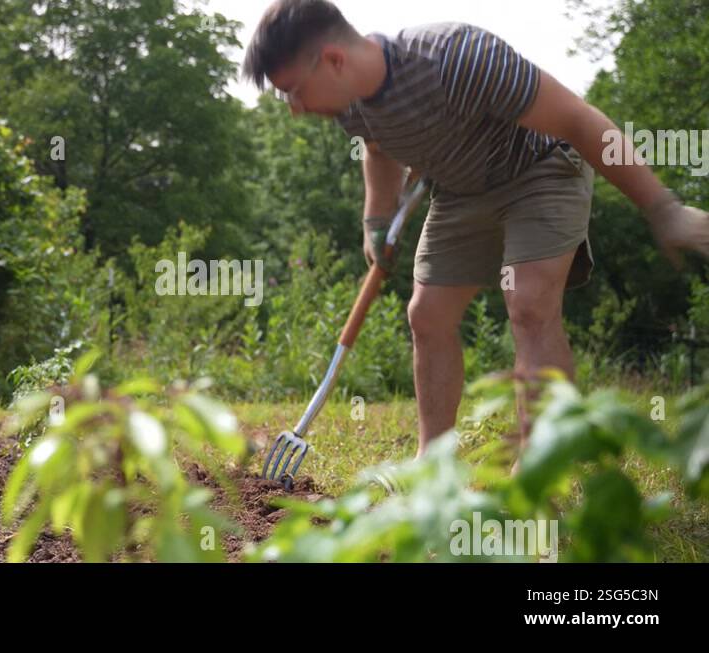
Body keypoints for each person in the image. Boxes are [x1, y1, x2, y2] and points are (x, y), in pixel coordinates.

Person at [242, 0, 709, 458]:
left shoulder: (456, 57)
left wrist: (661, 207)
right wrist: (376, 221)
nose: (295, 109)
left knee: (529, 304)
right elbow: (379, 149)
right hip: (461, 188)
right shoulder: (349, 102)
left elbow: (578, 120)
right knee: (427, 316)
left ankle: (538, 472)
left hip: (539, 166)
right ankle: (434, 464)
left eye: (294, 91)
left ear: (334, 60)